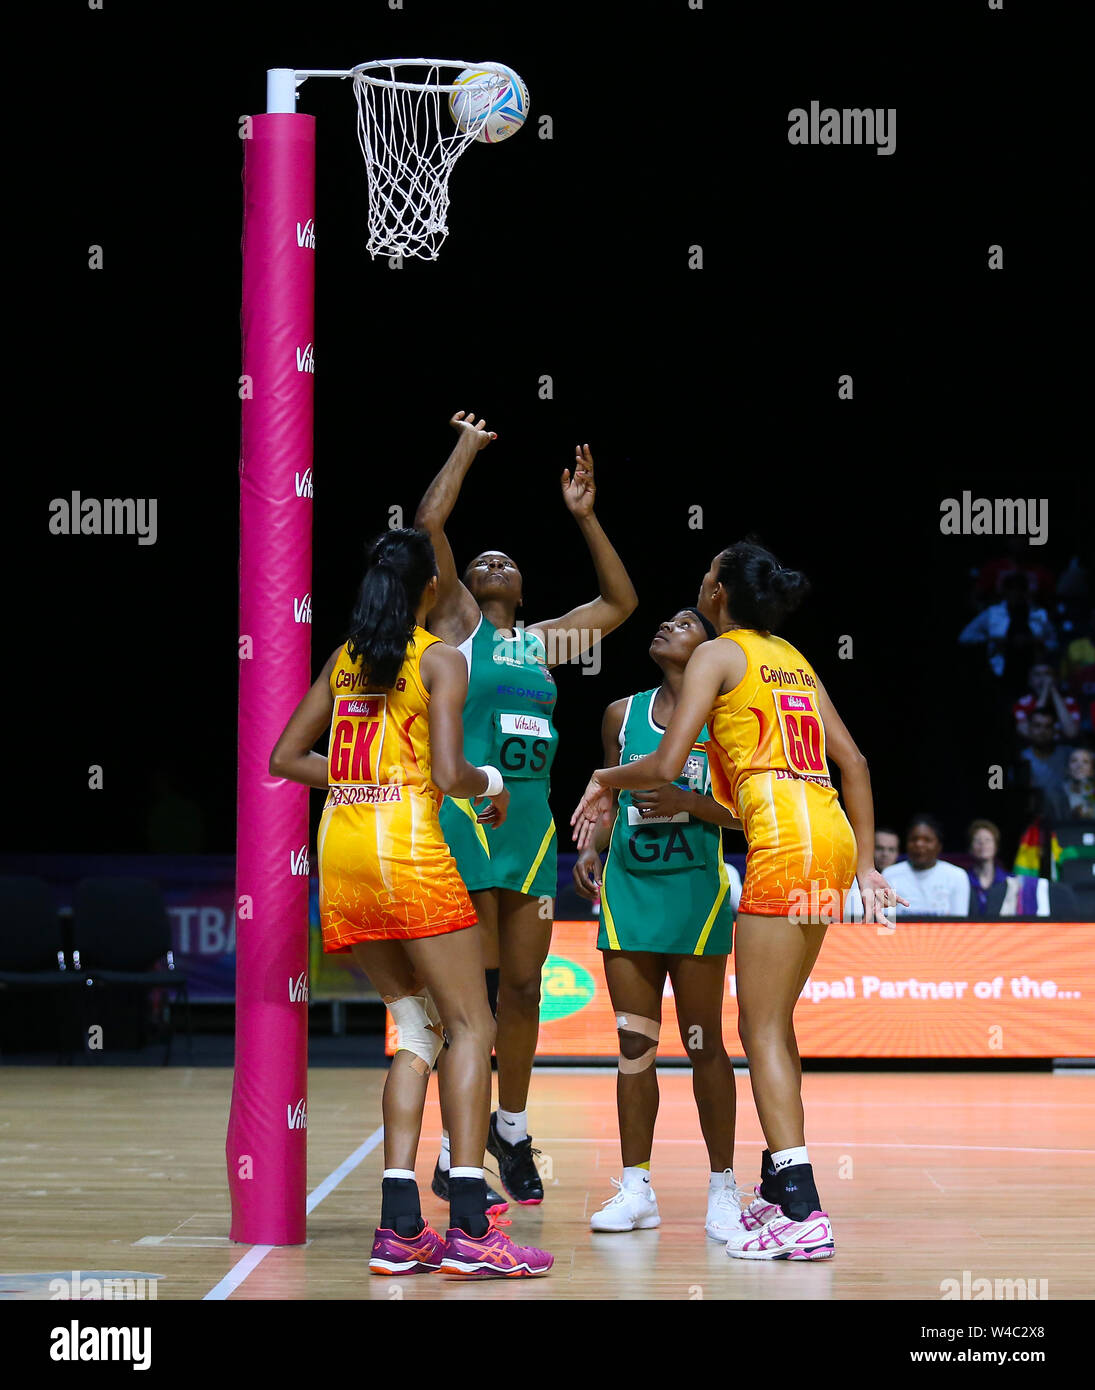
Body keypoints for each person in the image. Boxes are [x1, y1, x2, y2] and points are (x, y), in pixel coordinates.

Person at [572, 541, 906, 1261]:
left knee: (758, 1032)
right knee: (776, 1028)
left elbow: (664, 763)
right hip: (829, 832)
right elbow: (853, 761)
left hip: (781, 837)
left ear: (718, 592)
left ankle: (803, 1210)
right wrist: (866, 868)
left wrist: (604, 776)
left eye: (705, 575)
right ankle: (783, 1190)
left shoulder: (717, 657)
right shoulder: (789, 656)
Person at [269, 529, 552, 1279]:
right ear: (432, 589)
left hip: (342, 853)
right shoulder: (438, 660)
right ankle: (468, 1225)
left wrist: (367, 776)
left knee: (414, 1031)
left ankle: (399, 1227)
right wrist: (488, 786)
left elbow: (285, 757)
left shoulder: (345, 658)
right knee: (472, 1025)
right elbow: (454, 771)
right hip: (408, 851)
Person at [415, 411, 638, 1207]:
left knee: (522, 991)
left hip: (536, 831)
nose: (495, 560)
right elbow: (429, 521)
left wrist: (585, 515)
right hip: (472, 822)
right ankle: (455, 1149)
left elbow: (619, 602)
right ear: (463, 587)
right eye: (483, 559)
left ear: (522, 584)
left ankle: (510, 1128)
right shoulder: (458, 629)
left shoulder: (543, 644)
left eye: (506, 557)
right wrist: (467, 448)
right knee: (466, 1000)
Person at [572, 608, 745, 1240]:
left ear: (711, 647)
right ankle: (636, 1186)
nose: (667, 627)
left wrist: (689, 803)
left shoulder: (725, 719)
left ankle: (724, 1190)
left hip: (695, 897)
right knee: (634, 1043)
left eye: (685, 623)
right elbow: (608, 797)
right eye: (667, 622)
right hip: (629, 893)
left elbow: (746, 816)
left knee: (705, 1045)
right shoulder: (622, 714)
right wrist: (591, 846)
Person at [959, 571, 1057, 689]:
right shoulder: (993, 613)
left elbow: (1053, 642)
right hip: (1001, 671)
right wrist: (993, 639)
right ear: (1006, 591)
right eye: (1013, 589)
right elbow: (965, 637)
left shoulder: (1039, 614)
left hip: (1032, 673)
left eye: (1021, 588)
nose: (1017, 593)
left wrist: (1038, 642)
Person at [884, 817, 971, 917]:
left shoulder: (957, 876)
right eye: (913, 839)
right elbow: (885, 924)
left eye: (927, 840)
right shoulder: (889, 874)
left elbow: (959, 924)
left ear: (939, 846)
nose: (919, 844)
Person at [1018, 709, 1075, 803]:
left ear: (1054, 730)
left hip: (1066, 816)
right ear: (1029, 728)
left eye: (1048, 727)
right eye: (1037, 726)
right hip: (1035, 816)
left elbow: (1071, 732)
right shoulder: (1021, 759)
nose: (1042, 731)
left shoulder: (1069, 755)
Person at [1014, 663, 1080, 743]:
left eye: (1048, 674)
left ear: (1056, 679)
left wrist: (1053, 691)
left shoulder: (1070, 702)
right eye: (1037, 674)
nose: (1043, 679)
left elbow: (1071, 733)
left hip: (1062, 747)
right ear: (1030, 680)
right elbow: (1028, 733)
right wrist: (1045, 691)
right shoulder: (1022, 704)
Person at [966, 819, 1008, 917]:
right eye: (977, 840)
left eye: (988, 840)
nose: (982, 844)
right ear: (970, 848)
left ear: (996, 846)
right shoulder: (963, 880)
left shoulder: (1009, 881)